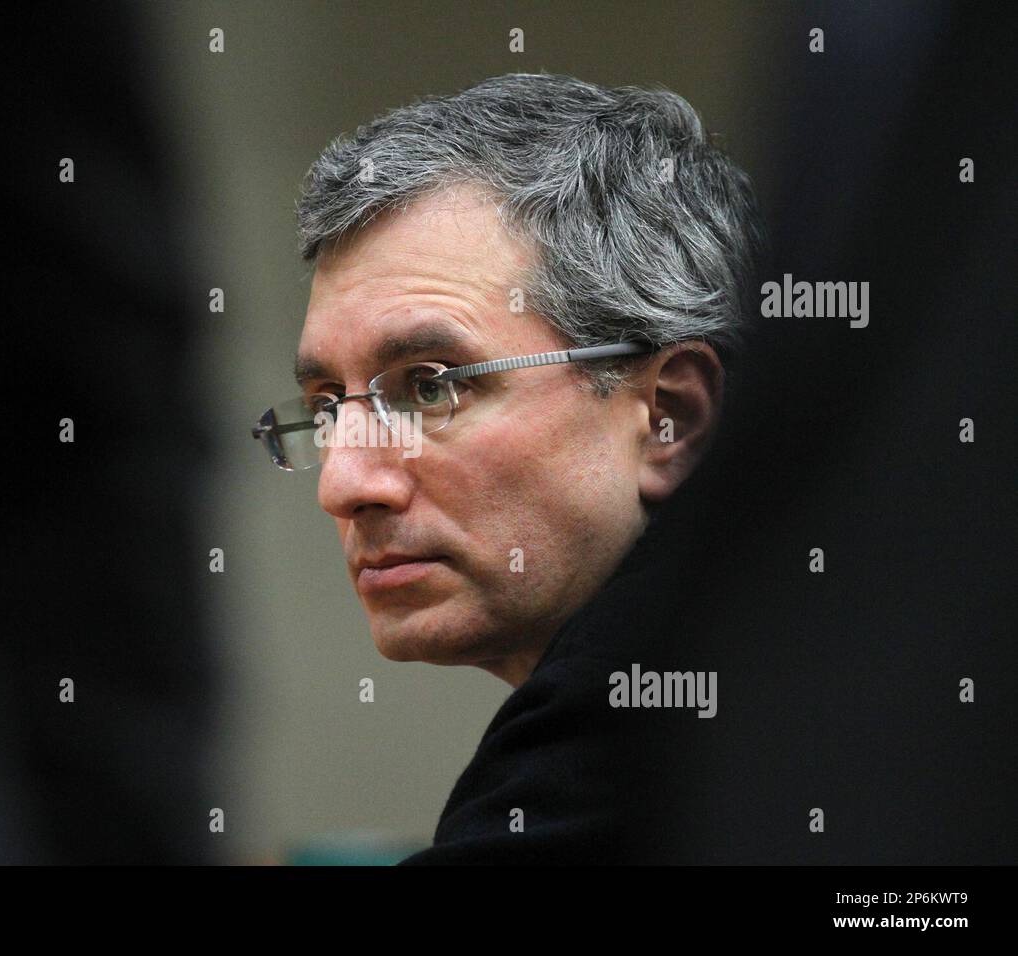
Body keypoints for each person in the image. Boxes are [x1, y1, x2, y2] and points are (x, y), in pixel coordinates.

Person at [252, 73, 764, 862]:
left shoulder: (638, 739)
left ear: (673, 417)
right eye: (326, 406)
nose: (343, 486)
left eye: (428, 386)